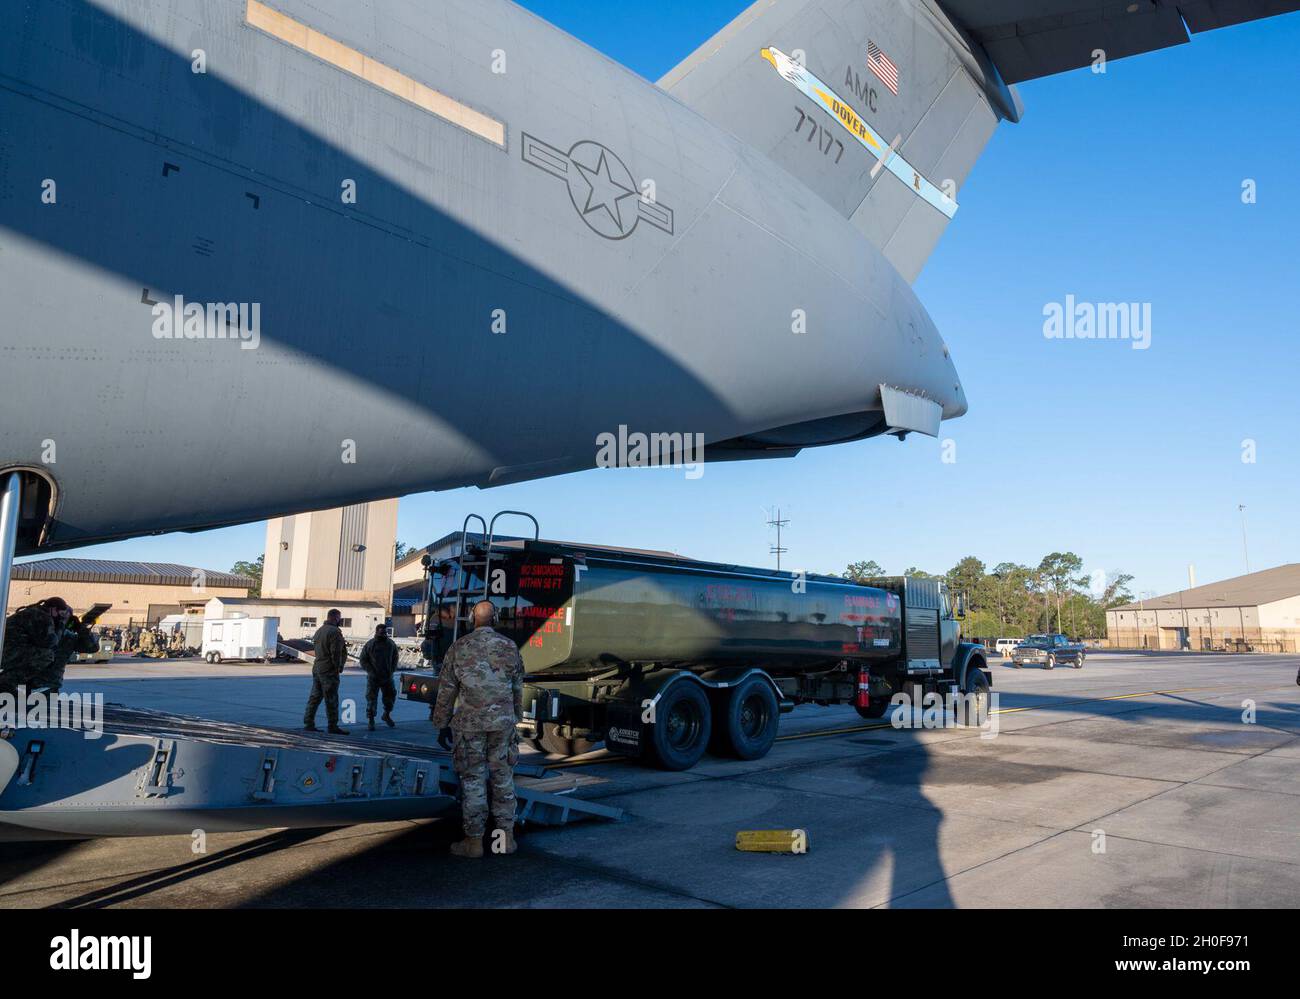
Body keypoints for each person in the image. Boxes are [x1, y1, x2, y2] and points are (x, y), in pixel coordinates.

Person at [431, 600, 524, 858]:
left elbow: (447, 690)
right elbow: (518, 687)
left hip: (470, 725)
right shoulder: (509, 647)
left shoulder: (459, 647)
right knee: (503, 778)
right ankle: (505, 840)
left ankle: (473, 843)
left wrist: (441, 724)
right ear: (495, 619)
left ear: (473, 619)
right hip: (502, 725)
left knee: (473, 780)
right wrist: (515, 717)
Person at [0, 597, 98, 695]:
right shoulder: (38, 629)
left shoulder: (68, 638)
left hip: (47, 687)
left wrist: (82, 629)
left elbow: (92, 648)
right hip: (25, 685)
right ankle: (5, 683)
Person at [304, 609, 349, 734]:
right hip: (329, 669)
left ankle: (308, 722)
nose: (340, 620)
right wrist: (337, 667)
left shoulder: (320, 630)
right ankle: (332, 726)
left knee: (315, 697)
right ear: (335, 618)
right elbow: (335, 652)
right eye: (339, 618)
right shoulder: (334, 632)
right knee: (331, 698)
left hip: (318, 667)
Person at [359, 623, 399, 730]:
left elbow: (395, 658)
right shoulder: (370, 644)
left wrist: (391, 670)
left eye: (384, 632)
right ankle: (371, 720)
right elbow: (363, 660)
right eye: (381, 632)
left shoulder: (391, 644)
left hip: (387, 677)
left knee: (390, 698)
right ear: (377, 632)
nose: (383, 634)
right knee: (371, 699)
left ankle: (386, 715)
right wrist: (371, 671)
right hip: (374, 678)